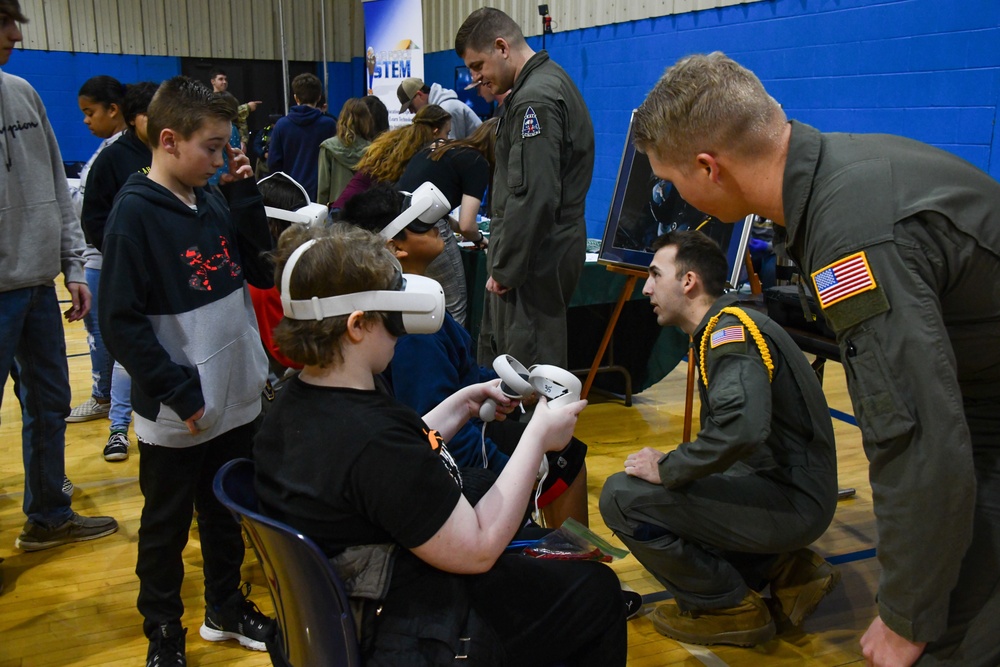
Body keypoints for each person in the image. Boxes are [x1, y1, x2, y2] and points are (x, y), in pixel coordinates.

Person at [631, 52, 1000, 667]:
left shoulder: (851, 230)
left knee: (950, 641)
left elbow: (913, 431)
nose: (677, 197)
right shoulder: (833, 179)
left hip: (980, 401)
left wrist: (906, 614)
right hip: (981, 389)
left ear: (708, 168)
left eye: (671, 181)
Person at [254, 222, 627, 665]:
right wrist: (538, 436)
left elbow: (389, 466)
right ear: (357, 326)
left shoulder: (294, 404)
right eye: (393, 318)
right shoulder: (374, 441)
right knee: (596, 590)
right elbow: (478, 549)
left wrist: (462, 405)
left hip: (353, 601)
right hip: (404, 627)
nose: (401, 331)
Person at [99, 75, 275, 666]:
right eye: (213, 147)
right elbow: (119, 323)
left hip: (235, 397)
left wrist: (244, 194)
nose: (222, 159)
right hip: (181, 409)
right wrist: (179, 391)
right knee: (166, 526)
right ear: (170, 140)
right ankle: (163, 631)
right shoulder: (134, 215)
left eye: (227, 147)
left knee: (225, 511)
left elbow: (262, 271)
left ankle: (225, 607)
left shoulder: (213, 194)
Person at [599, 230, 839, 646]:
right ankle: (787, 570)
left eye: (655, 275)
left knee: (623, 497)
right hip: (786, 487)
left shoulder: (729, 332)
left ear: (689, 281)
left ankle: (728, 609)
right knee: (674, 490)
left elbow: (741, 427)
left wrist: (670, 468)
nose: (647, 288)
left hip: (793, 498)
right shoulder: (728, 322)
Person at [343, 184, 590, 527]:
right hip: (453, 454)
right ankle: (570, 553)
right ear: (395, 247)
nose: (435, 227)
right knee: (566, 456)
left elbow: (459, 376)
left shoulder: (419, 308)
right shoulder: (414, 327)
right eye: (419, 225)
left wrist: (503, 385)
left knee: (564, 450)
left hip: (464, 428)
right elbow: (438, 433)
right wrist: (513, 475)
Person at [0, 0, 119, 554]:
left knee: (49, 404)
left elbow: (55, 186)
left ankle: (48, 517)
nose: (16, 35)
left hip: (36, 288)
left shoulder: (24, 93)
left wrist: (73, 265)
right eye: (4, 22)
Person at [456, 8, 595, 368]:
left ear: (502, 47)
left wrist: (507, 267)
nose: (475, 78)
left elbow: (534, 196)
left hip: (537, 255)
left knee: (526, 369)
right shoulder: (542, 85)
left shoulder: (536, 99)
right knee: (514, 358)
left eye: (478, 65)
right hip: (539, 250)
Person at [82, 80, 158, 462]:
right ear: (131, 118)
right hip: (121, 272)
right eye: (152, 114)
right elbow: (93, 220)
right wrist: (123, 257)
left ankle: (157, 425)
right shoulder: (112, 159)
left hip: (165, 274)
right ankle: (117, 428)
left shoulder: (170, 150)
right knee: (127, 353)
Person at [65, 75, 128, 424]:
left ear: (113, 109)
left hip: (102, 254)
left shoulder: (118, 153)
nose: (86, 121)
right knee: (100, 327)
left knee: (102, 329)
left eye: (91, 112)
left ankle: (104, 396)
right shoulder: (109, 148)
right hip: (94, 253)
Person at [397, 117, 498, 250]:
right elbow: (467, 225)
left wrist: (470, 234)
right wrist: (479, 239)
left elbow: (438, 212)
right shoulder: (477, 162)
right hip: (420, 226)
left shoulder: (442, 146)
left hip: (397, 218)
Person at [266, 72, 336, 201]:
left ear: (296, 98)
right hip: (321, 194)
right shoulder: (329, 125)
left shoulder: (281, 125)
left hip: (289, 195)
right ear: (319, 97)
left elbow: (273, 164)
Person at [316, 97, 374, 207]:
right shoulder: (372, 150)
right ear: (366, 121)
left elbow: (323, 188)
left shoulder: (328, 147)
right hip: (364, 209)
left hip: (337, 208)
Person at [397, 76, 482, 139]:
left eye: (411, 106)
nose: (411, 111)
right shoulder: (440, 109)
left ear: (420, 95)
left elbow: (451, 149)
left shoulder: (447, 109)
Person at [209, 67, 261, 148]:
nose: (224, 82)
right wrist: (247, 107)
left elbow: (240, 121)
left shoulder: (231, 99)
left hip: (235, 138)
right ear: (213, 81)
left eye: (225, 79)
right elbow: (223, 114)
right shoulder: (209, 99)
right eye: (220, 79)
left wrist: (243, 141)